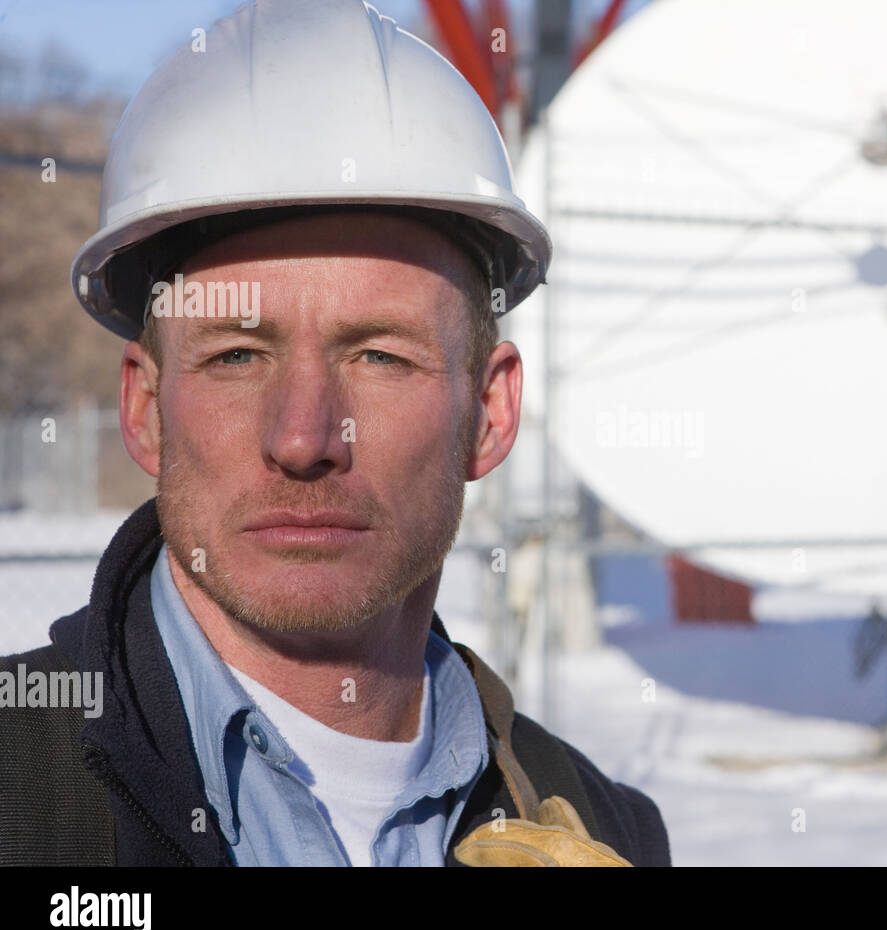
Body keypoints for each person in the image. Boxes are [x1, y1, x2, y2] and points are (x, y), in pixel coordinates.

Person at [0, 0, 670, 867]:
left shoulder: (600, 829)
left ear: (490, 414)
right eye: (238, 356)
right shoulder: (20, 802)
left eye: (381, 357)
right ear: (145, 412)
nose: (305, 437)